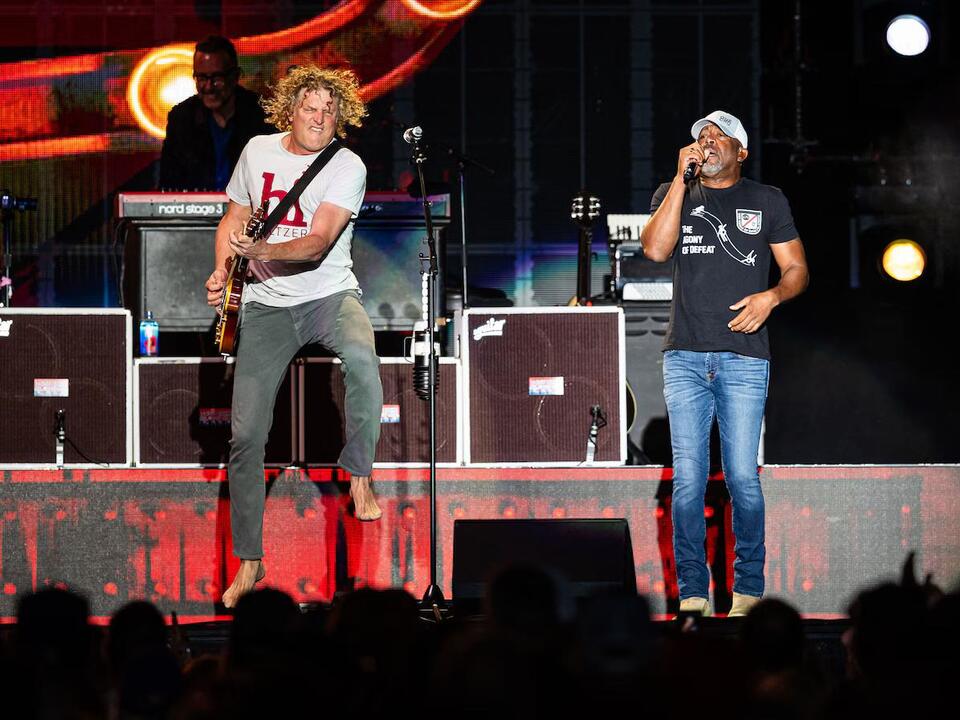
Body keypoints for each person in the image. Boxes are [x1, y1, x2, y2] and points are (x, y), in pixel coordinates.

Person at [205, 65, 384, 609]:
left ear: (342, 117)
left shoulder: (347, 164)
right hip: (264, 307)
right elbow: (231, 221)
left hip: (329, 295)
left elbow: (316, 243)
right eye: (310, 108)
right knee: (246, 436)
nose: (320, 118)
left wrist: (256, 252)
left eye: (330, 111)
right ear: (290, 110)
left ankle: (358, 475)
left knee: (363, 358)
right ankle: (250, 561)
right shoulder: (258, 152)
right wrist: (223, 274)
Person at [640, 110, 809, 617]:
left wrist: (772, 297)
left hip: (744, 360)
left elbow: (797, 268)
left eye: (718, 136)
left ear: (741, 150)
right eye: (700, 136)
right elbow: (654, 249)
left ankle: (747, 593)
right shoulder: (676, 193)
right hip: (685, 356)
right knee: (689, 480)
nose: (707, 142)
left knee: (742, 478)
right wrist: (678, 179)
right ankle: (692, 593)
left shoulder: (766, 199)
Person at [159, 35, 272, 191]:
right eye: (201, 78)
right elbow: (168, 185)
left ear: (235, 76)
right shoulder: (181, 118)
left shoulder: (262, 115)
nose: (208, 86)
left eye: (216, 78)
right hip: (194, 213)